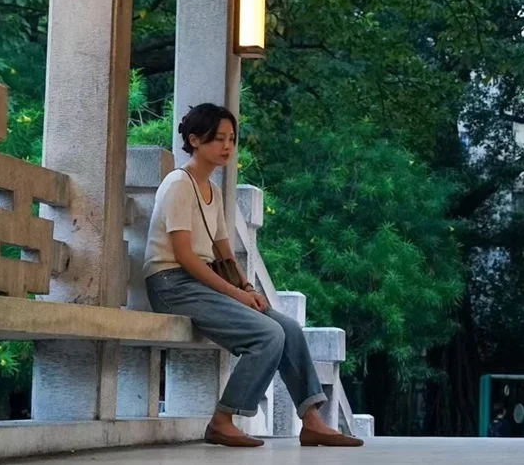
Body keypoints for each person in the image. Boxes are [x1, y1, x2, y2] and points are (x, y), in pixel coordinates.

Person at [143, 103, 363, 448]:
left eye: (232, 139)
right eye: (218, 138)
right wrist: (236, 295)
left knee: (288, 327)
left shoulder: (213, 190)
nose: (227, 146)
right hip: (171, 284)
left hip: (200, 284)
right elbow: (184, 256)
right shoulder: (178, 184)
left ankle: (311, 421)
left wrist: (246, 286)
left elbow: (224, 254)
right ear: (195, 140)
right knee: (267, 335)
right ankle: (222, 420)